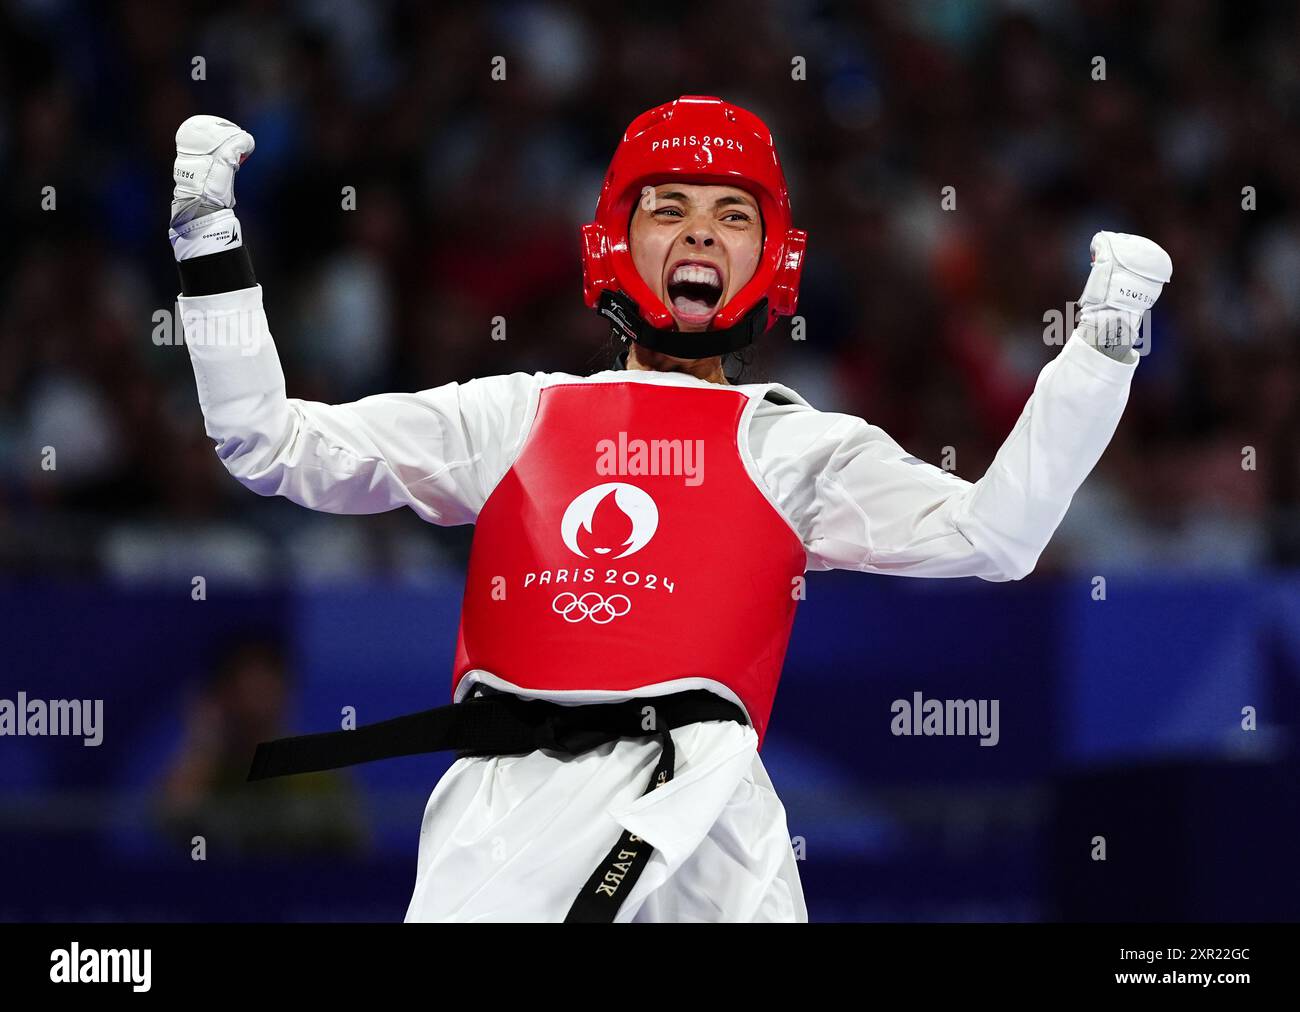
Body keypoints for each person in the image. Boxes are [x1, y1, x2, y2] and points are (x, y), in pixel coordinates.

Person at [169, 95, 1171, 922]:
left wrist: (1102, 345)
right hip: (508, 816)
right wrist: (208, 235)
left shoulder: (799, 445)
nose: (700, 229)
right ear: (614, 245)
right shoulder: (514, 413)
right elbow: (270, 444)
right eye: (671, 207)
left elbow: (998, 535)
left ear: (772, 260)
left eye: (732, 214)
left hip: (709, 814)